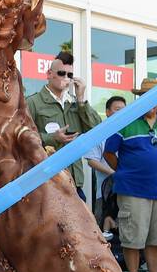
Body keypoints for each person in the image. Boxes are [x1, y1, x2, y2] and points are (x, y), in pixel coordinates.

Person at [103, 79, 157, 272]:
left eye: (156, 99)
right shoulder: (126, 119)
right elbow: (109, 152)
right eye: (148, 98)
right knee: (132, 238)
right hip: (132, 189)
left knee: (156, 238)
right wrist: (123, 171)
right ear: (141, 98)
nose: (152, 103)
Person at [27, 51, 101, 201]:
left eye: (70, 75)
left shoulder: (75, 103)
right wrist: (52, 138)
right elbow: (23, 138)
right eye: (61, 73)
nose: (66, 78)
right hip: (47, 181)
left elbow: (97, 129)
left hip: (74, 182)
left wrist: (81, 100)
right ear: (49, 74)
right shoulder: (33, 102)